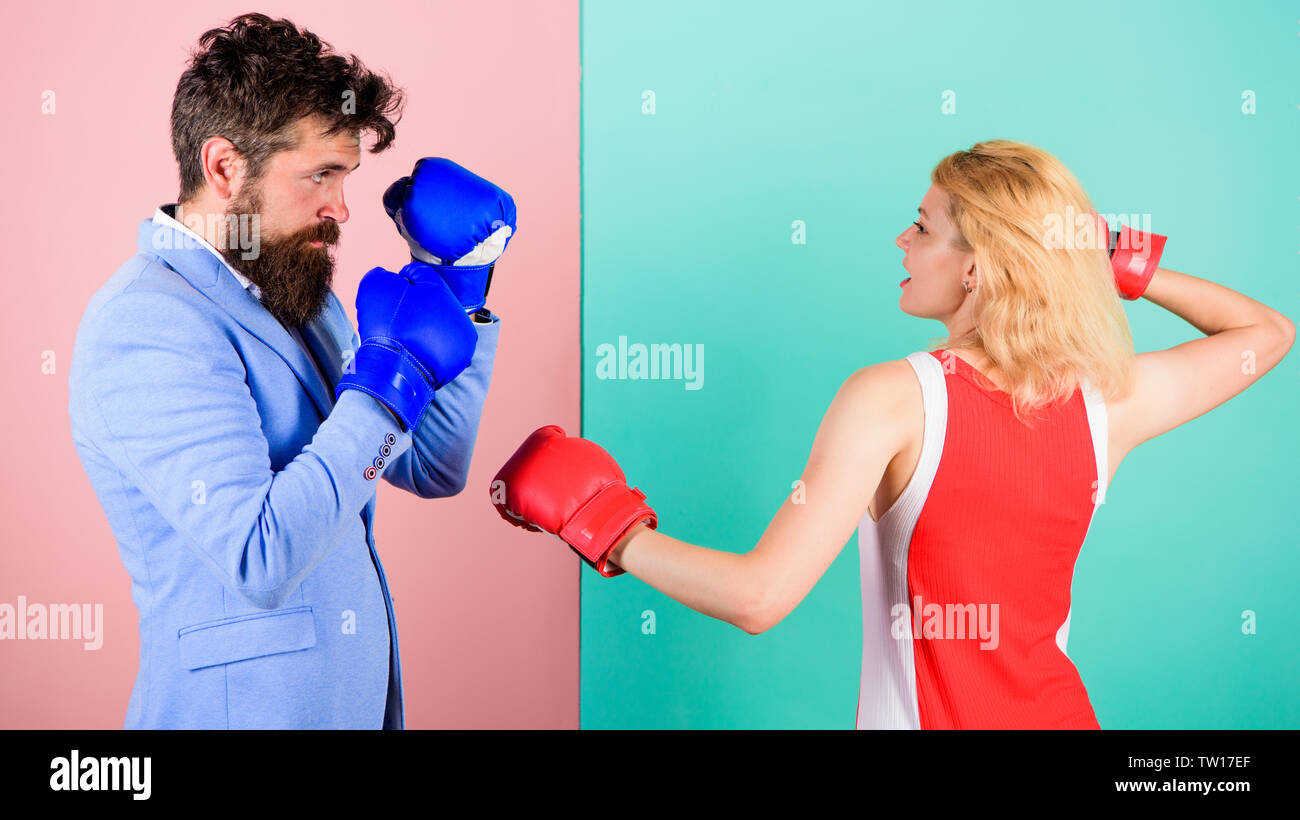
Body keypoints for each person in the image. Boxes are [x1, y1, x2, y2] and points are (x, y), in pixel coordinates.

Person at [490, 139, 1295, 729]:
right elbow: (1266, 333)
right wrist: (1112, 257)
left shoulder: (893, 398)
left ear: (977, 269)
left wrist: (603, 525)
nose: (901, 243)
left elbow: (759, 597)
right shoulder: (1107, 401)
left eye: (922, 227)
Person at [67, 13, 514, 729]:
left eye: (348, 176)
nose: (341, 208)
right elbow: (259, 556)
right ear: (224, 166)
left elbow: (430, 465)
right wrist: (387, 381)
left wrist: (458, 284)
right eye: (321, 176)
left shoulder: (299, 295)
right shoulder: (146, 325)